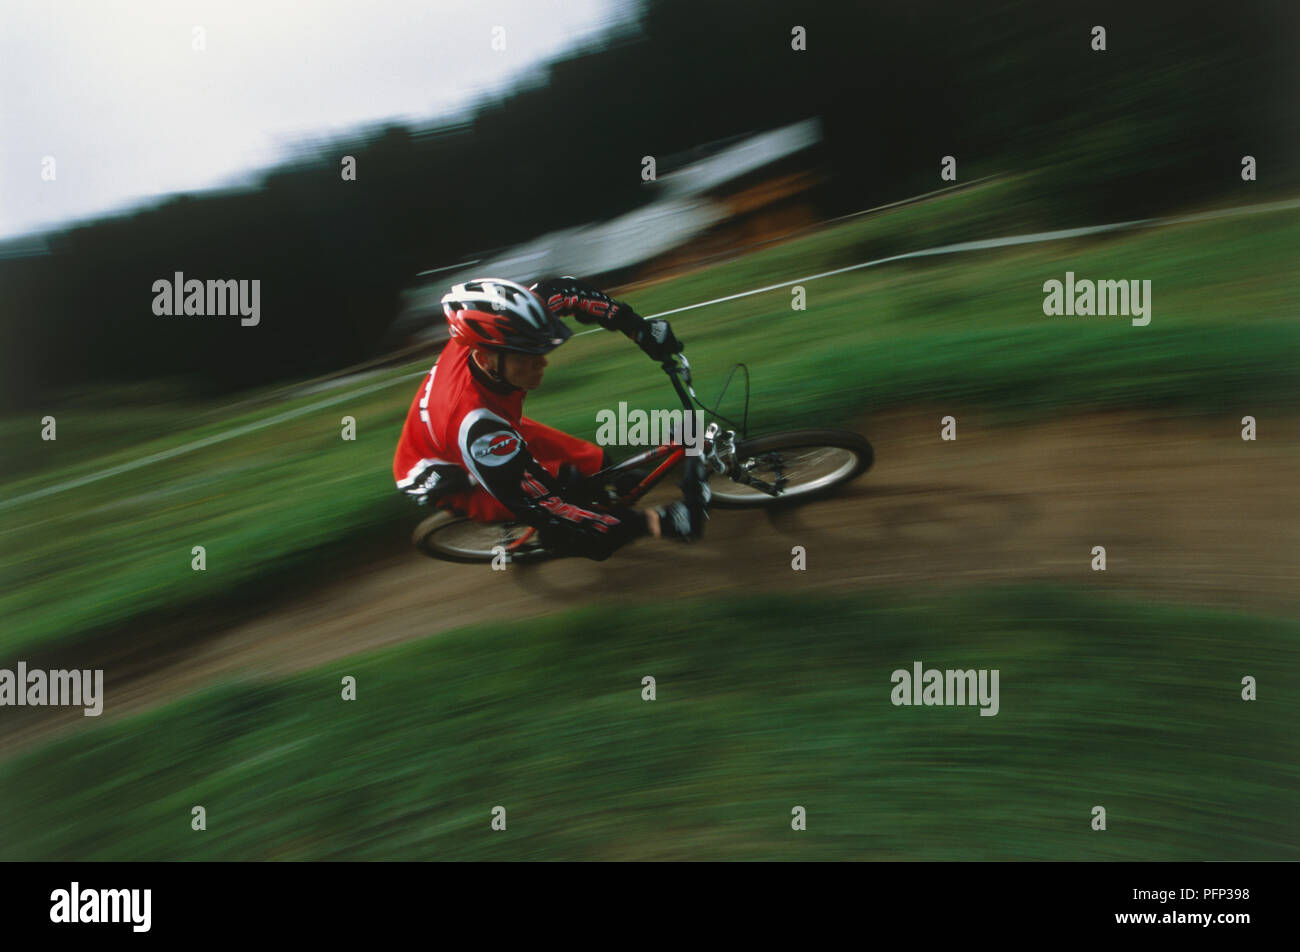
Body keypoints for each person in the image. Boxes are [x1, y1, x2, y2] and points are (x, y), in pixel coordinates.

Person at [392, 276, 710, 560]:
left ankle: (607, 499)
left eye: (541, 350)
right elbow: (551, 508)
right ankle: (571, 544)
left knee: (597, 462)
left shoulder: (498, 332)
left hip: (488, 428)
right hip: (451, 473)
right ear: (486, 358)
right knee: (577, 514)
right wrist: (658, 522)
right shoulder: (479, 429)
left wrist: (639, 328)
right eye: (527, 356)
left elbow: (565, 292)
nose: (542, 362)